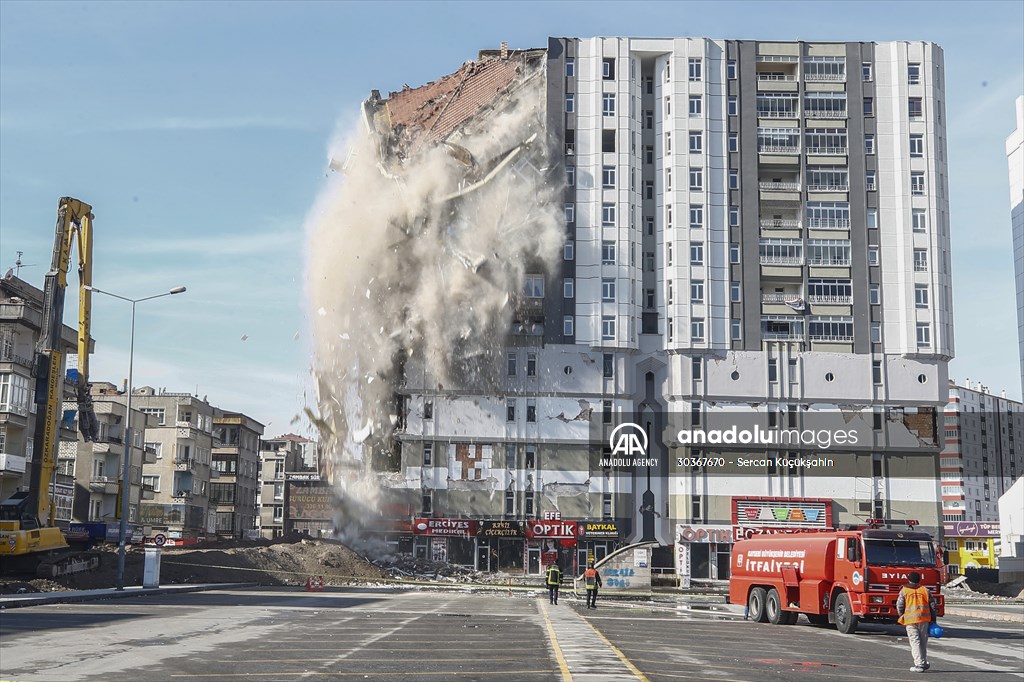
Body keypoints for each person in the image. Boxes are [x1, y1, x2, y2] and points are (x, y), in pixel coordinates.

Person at [897, 571, 937, 673]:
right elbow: (933, 605)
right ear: (919, 580)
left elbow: (900, 605)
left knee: (915, 642)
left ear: (909, 579)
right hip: (924, 620)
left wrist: (901, 615)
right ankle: (923, 662)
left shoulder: (904, 590)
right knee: (923, 642)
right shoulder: (925, 590)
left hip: (910, 620)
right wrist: (933, 619)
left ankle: (919, 664)